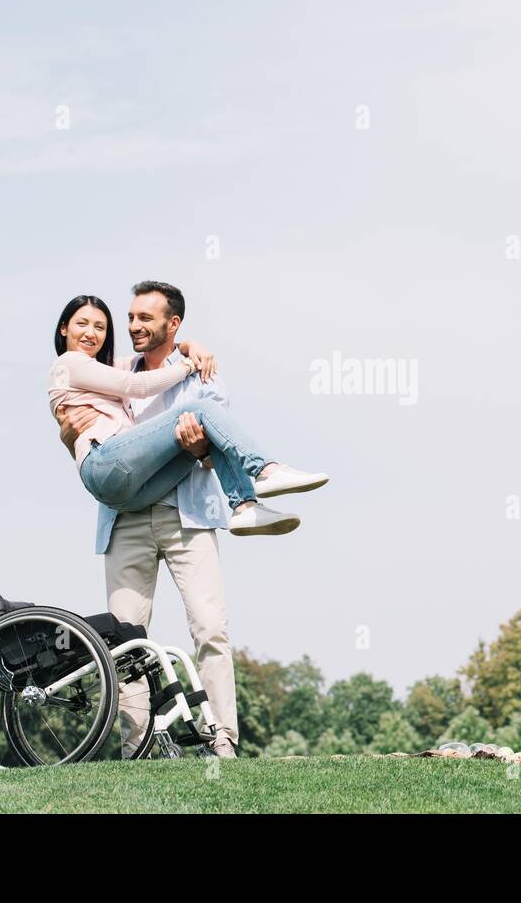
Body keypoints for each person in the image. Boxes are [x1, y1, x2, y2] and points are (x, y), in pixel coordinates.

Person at [54, 282, 324, 758]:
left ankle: (222, 737)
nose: (133, 325)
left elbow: (212, 446)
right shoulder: (114, 372)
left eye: (145, 319)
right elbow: (91, 430)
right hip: (125, 518)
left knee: (210, 628)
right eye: (131, 317)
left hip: (188, 515)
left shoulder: (202, 378)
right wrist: (65, 434)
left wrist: (199, 442)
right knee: (124, 637)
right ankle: (134, 748)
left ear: (172, 323)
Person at [49, 293, 328, 534]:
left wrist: (188, 346)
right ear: (64, 329)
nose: (91, 333)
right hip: (104, 462)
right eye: (82, 324)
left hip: (128, 494)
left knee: (201, 426)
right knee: (200, 408)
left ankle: (245, 506)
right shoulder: (69, 363)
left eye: (100, 327)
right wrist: (188, 366)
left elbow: (151, 356)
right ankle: (265, 469)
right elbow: (137, 385)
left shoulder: (104, 370)